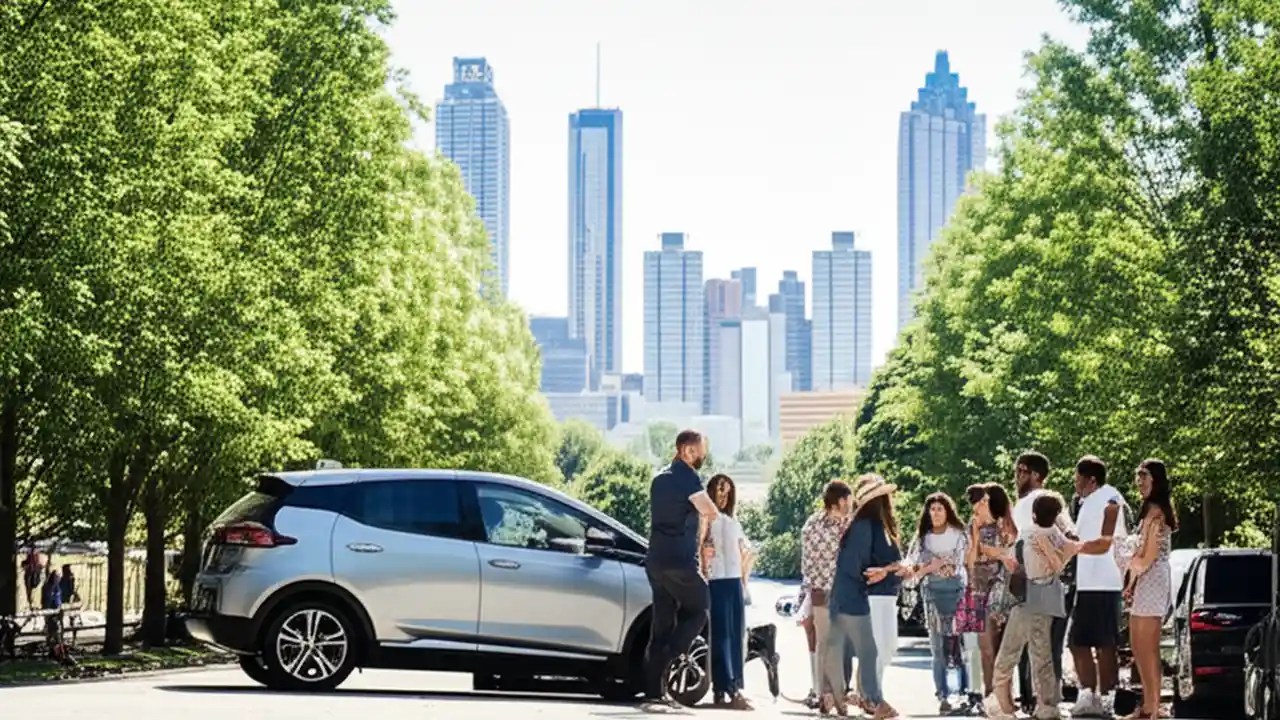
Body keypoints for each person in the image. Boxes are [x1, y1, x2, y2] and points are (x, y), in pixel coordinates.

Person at [642, 430, 720, 713]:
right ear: (687, 451)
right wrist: (710, 513)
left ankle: (654, 691)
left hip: (656, 561)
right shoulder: (685, 475)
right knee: (701, 607)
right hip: (680, 561)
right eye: (701, 450)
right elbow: (709, 510)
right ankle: (669, 658)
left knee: (662, 625)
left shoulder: (659, 478)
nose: (703, 455)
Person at [985, 492, 1080, 720]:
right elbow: (1071, 551)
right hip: (1048, 601)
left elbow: (1014, 565)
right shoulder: (1059, 535)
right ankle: (1046, 705)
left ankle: (996, 701)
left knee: (1009, 651)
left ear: (1034, 514)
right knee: (1042, 654)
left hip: (1026, 600)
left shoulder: (1028, 533)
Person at [826, 474, 904, 719]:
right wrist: (872, 576)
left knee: (863, 650)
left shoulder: (872, 525)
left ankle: (855, 697)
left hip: (856, 595)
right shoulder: (865, 526)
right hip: (855, 596)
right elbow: (854, 565)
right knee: (867, 650)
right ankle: (871, 700)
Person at [1008, 451, 1077, 711]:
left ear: (1036, 475)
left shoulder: (1046, 500)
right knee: (1036, 643)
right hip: (1029, 579)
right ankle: (1035, 700)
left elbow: (1069, 532)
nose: (1017, 476)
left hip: (1044, 581)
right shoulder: (1021, 503)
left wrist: (1056, 564)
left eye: (1022, 471)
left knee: (1045, 642)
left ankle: (1045, 702)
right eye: (1016, 471)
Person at [1108, 459, 1176, 720]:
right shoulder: (1148, 511)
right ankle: (1147, 705)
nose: (1140, 482)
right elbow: (1140, 556)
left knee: (1148, 648)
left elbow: (1147, 558)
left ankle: (1152, 708)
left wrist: (1126, 561)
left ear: (1156, 480)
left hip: (1154, 579)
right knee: (1137, 646)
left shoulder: (1158, 514)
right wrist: (1131, 583)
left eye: (1144, 477)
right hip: (1144, 581)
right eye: (1138, 477)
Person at [1067, 455, 1130, 718]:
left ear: (1091, 479)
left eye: (1078, 478)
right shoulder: (1086, 503)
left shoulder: (1111, 498)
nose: (1075, 483)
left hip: (1106, 582)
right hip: (1087, 583)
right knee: (1077, 641)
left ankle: (1107, 698)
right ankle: (1089, 694)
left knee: (1105, 643)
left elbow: (1105, 541)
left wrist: (1074, 546)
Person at [906, 492, 972, 715]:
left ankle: (965, 693)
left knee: (959, 644)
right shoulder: (922, 538)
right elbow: (912, 570)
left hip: (957, 591)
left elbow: (964, 561)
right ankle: (942, 694)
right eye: (932, 509)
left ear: (948, 511)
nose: (935, 513)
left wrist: (950, 567)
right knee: (938, 647)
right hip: (932, 592)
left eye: (939, 509)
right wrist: (930, 567)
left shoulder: (959, 534)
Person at [801, 480, 855, 707]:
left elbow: (806, 562)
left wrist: (809, 588)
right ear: (841, 501)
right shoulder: (847, 526)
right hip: (841, 592)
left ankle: (825, 694)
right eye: (849, 500)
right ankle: (837, 697)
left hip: (818, 592)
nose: (851, 505)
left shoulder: (811, 523)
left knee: (824, 643)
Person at [704, 473, 755, 710]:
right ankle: (724, 687)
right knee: (721, 636)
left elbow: (746, 551)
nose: (723, 497)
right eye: (719, 491)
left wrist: (746, 579)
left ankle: (732, 684)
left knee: (736, 636)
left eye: (727, 492)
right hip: (716, 580)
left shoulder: (733, 522)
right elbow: (701, 548)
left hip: (734, 581)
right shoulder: (706, 519)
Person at [964, 483, 1016, 700]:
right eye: (978, 501)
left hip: (1001, 587)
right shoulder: (972, 525)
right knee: (984, 646)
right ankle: (990, 695)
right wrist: (976, 535)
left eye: (983, 500)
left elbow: (1010, 551)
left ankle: (1005, 696)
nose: (978, 505)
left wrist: (995, 552)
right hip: (977, 589)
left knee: (1001, 646)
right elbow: (970, 561)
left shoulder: (1004, 524)